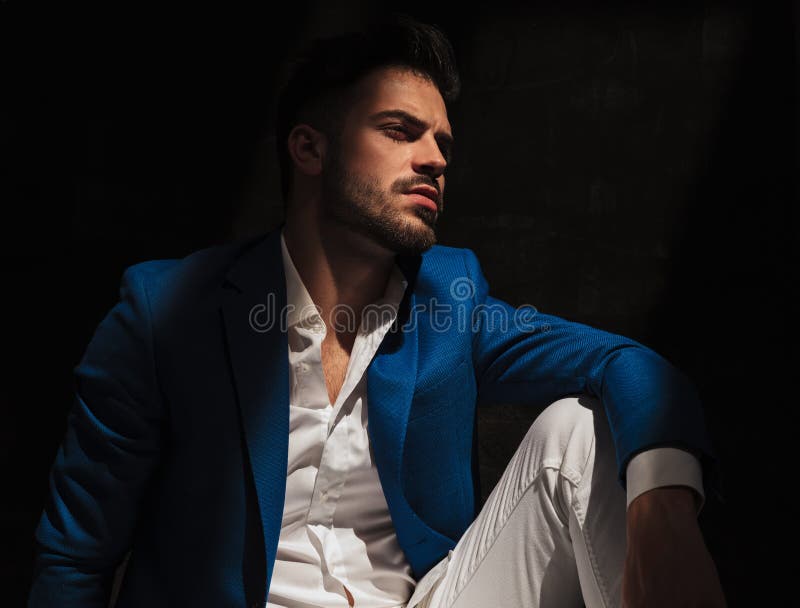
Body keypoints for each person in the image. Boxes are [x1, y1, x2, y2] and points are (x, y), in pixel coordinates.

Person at [29, 15, 726, 608]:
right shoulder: (168, 312)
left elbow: (625, 364)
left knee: (580, 431)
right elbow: (75, 557)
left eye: (442, 143)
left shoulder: (449, 300)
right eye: (401, 130)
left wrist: (659, 505)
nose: (434, 160)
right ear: (310, 148)